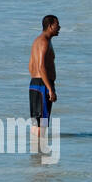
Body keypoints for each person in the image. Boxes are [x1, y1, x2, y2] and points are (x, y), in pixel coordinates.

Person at [28, 15, 60, 144]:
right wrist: (50, 88)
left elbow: (30, 66)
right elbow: (41, 67)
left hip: (36, 84)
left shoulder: (38, 41)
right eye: (57, 25)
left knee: (37, 121)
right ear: (50, 25)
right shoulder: (44, 41)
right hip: (42, 85)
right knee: (42, 122)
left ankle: (36, 156)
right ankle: (40, 156)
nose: (59, 28)